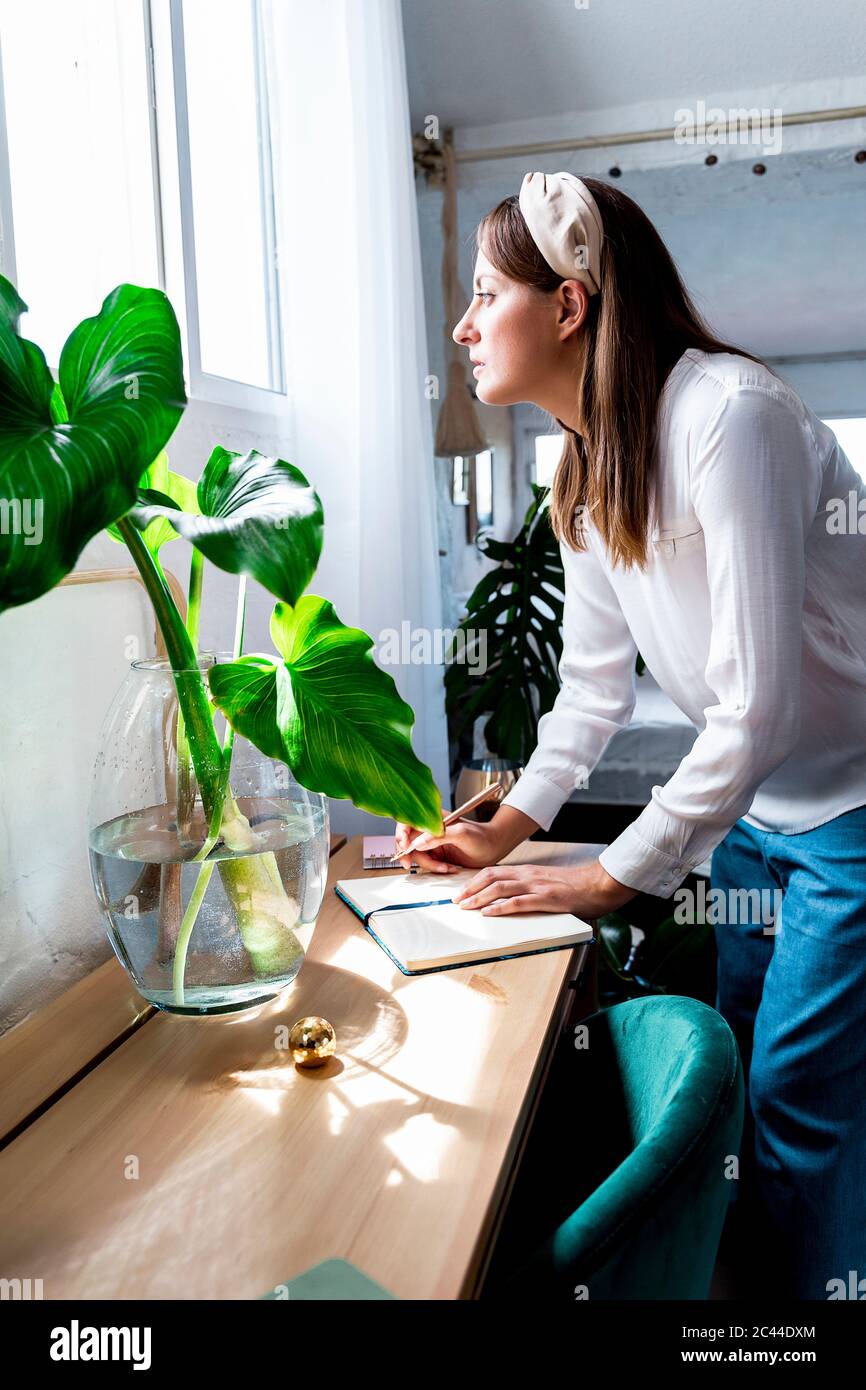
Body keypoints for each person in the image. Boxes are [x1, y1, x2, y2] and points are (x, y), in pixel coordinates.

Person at [395, 171, 866, 1300]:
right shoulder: (584, 463)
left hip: (851, 808)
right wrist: (504, 829)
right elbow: (590, 693)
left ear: (566, 307)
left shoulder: (728, 417)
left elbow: (757, 708)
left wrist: (604, 881)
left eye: (481, 293)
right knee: (750, 1087)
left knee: (799, 1096)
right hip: (757, 820)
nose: (460, 327)